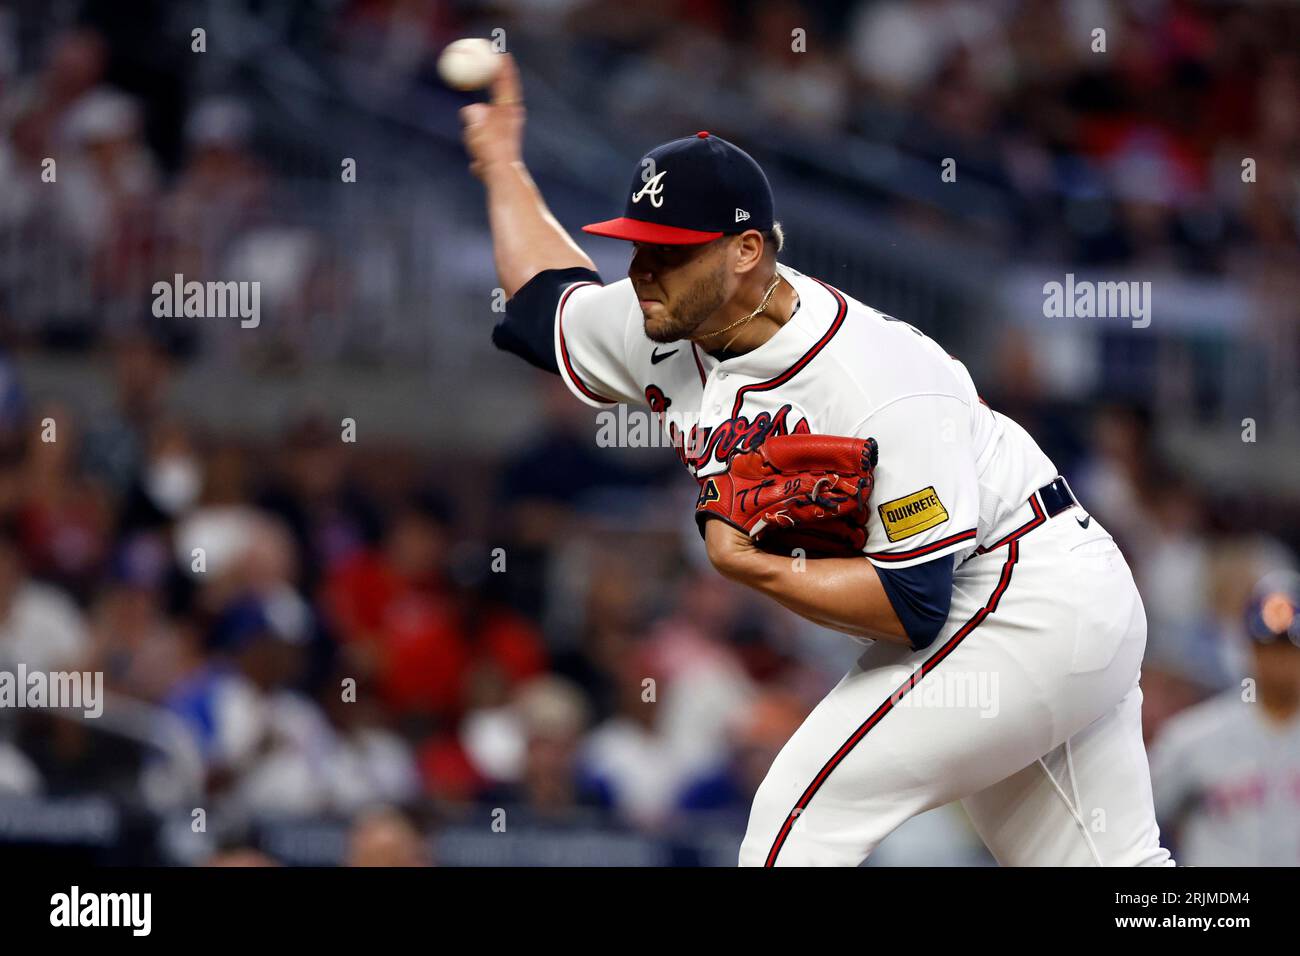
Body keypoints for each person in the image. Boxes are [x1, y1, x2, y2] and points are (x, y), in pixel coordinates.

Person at [458, 55, 1171, 866]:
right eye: (635, 246)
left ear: (745, 252)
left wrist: (753, 569)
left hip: (1021, 596)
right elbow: (544, 303)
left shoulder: (879, 377)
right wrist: (502, 166)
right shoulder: (658, 315)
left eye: (668, 250)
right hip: (1030, 610)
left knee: (797, 821)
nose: (642, 271)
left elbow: (914, 604)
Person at [1148, 570, 1300, 865]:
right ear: (1249, 648)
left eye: (1289, 648)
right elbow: (1133, 822)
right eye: (1268, 648)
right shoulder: (1194, 735)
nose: (1279, 662)